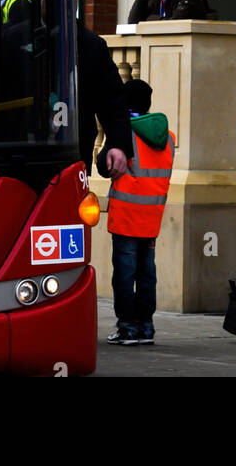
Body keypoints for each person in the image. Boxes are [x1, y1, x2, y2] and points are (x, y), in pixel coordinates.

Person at [105, 78, 173, 346]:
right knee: (147, 274)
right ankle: (146, 326)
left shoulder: (123, 134)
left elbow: (103, 166)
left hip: (125, 217)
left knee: (124, 274)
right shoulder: (166, 137)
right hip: (151, 217)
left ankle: (127, 328)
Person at [77, 25, 132, 180]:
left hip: (76, 153)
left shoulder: (92, 45)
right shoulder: (18, 36)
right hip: (23, 153)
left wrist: (118, 144)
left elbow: (113, 99)